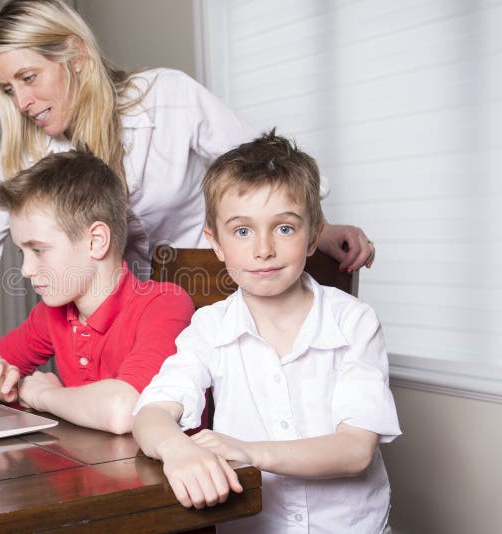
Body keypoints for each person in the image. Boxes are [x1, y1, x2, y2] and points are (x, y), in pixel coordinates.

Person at [0, 0, 375, 407]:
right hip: (117, 322)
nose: (22, 102)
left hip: (213, 294)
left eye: (30, 77)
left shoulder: (167, 96)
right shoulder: (28, 153)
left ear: (76, 54)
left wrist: (320, 229)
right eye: (9, 89)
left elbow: (262, 172)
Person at [132, 131, 401, 532]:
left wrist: (247, 452)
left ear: (313, 236)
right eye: (242, 231)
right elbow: (151, 412)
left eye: (284, 228)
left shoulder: (354, 322)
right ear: (216, 243)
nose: (263, 249)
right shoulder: (209, 327)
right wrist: (177, 450)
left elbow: (355, 449)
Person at [0, 150, 195, 434]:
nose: (26, 269)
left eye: (38, 250)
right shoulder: (53, 313)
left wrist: (43, 395)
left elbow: (123, 411)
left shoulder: (164, 305)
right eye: (22, 252)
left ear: (96, 241)